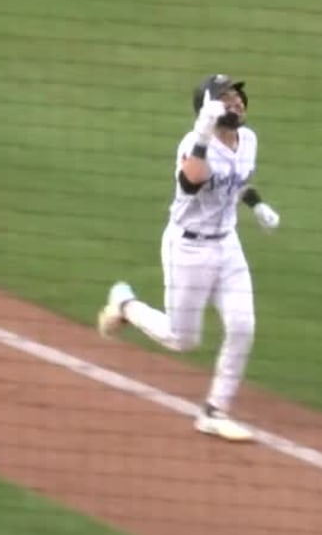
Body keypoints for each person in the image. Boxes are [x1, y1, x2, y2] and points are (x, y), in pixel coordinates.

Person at [97, 73, 281, 442]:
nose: (237, 103)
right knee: (183, 339)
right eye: (226, 99)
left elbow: (237, 178)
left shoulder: (249, 139)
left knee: (243, 326)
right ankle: (126, 304)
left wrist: (257, 205)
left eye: (237, 96)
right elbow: (190, 182)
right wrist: (202, 131)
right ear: (209, 109)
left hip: (228, 245)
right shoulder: (193, 144)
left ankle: (214, 411)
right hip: (189, 249)